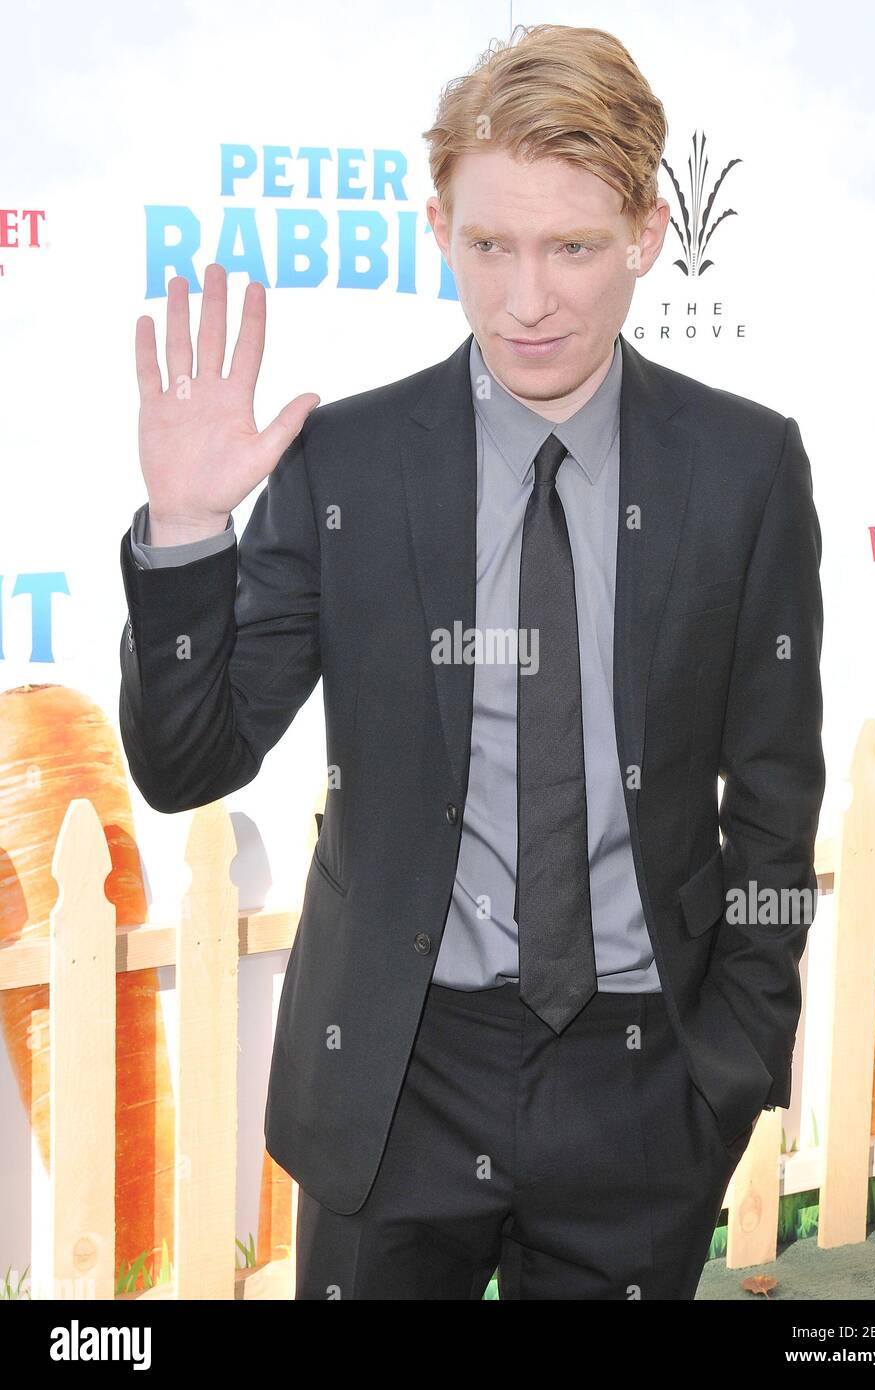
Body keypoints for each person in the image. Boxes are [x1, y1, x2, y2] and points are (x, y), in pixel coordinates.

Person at [119, 23, 824, 1299]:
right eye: (490, 245)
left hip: (640, 1075)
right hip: (398, 1076)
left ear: (649, 236)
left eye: (571, 247)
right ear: (438, 227)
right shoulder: (347, 464)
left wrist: (729, 1063)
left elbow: (774, 794)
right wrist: (185, 532)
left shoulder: (746, 467)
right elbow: (187, 765)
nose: (527, 298)